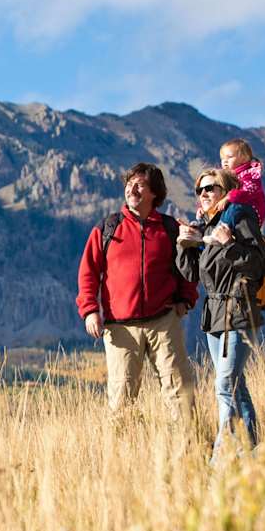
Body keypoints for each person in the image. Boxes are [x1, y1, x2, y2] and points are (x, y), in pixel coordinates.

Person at [76, 162, 197, 421]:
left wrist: (186, 299)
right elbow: (88, 272)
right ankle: (122, 458)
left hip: (164, 323)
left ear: (154, 192)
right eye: (129, 184)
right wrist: (89, 311)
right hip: (120, 328)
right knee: (121, 401)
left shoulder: (169, 228)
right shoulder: (107, 228)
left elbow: (188, 266)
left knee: (180, 393)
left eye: (139, 184)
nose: (132, 188)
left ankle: (188, 454)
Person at [176, 168, 265, 463]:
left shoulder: (239, 216)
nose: (202, 194)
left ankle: (219, 460)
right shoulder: (209, 224)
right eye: (199, 190)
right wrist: (185, 245)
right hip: (214, 316)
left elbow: (256, 263)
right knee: (236, 385)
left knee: (224, 385)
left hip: (239, 310)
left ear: (226, 190)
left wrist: (228, 243)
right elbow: (192, 274)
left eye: (209, 188)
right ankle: (252, 450)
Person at [218, 138, 265, 226]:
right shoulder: (230, 176)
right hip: (240, 209)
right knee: (221, 207)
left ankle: (221, 229)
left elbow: (250, 190)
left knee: (235, 205)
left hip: (252, 210)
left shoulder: (250, 174)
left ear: (244, 158)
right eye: (222, 158)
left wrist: (229, 196)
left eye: (229, 157)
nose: (225, 161)